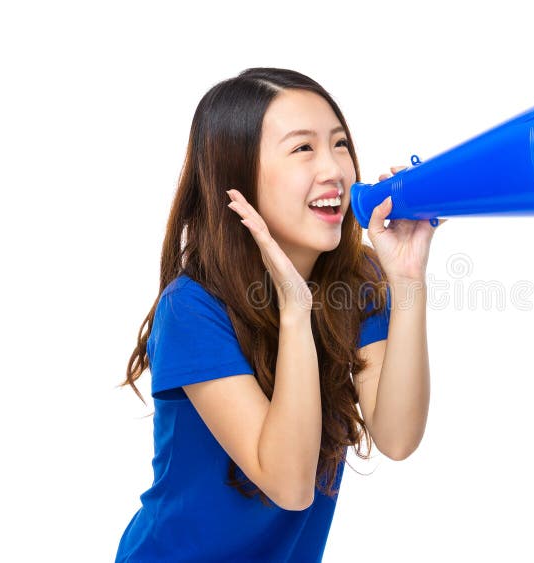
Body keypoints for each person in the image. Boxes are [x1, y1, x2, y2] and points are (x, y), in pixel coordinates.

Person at [115, 67, 444, 561]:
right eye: (302, 148)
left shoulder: (357, 283)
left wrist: (408, 281)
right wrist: (295, 311)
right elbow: (289, 486)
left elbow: (396, 436)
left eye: (339, 143)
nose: (334, 169)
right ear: (239, 179)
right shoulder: (192, 308)